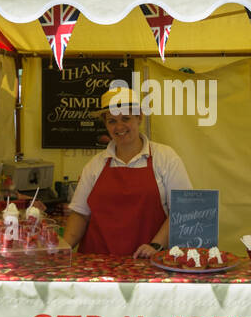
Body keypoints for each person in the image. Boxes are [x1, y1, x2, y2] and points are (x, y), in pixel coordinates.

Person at [61, 88, 192, 257]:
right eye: (112, 121)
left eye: (126, 118)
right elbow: (80, 213)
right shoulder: (95, 165)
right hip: (97, 262)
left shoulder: (165, 158)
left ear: (139, 117)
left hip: (148, 260)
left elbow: (182, 210)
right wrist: (64, 247)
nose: (119, 127)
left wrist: (156, 245)